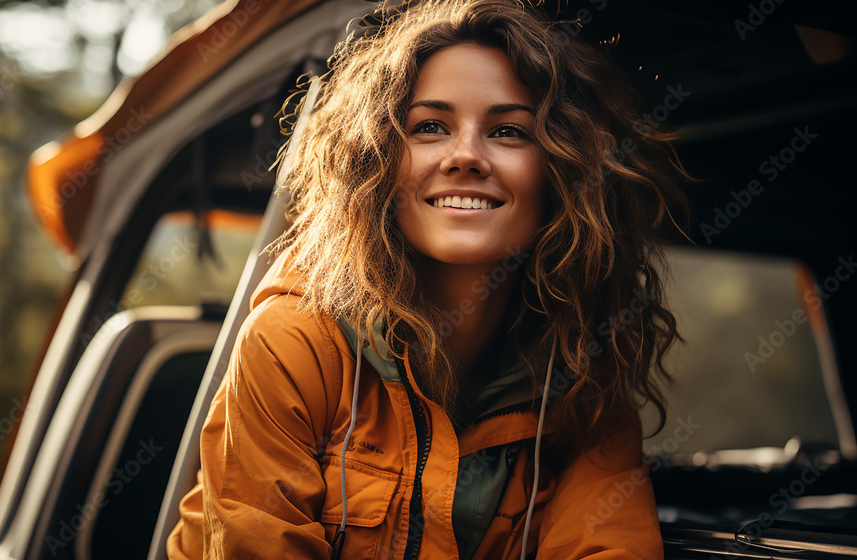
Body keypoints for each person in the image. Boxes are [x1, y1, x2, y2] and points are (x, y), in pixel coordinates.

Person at [168, 0, 688, 558]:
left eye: (509, 131)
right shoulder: (293, 343)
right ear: (379, 164)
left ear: (563, 173)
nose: (466, 155)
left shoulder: (586, 384)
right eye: (431, 127)